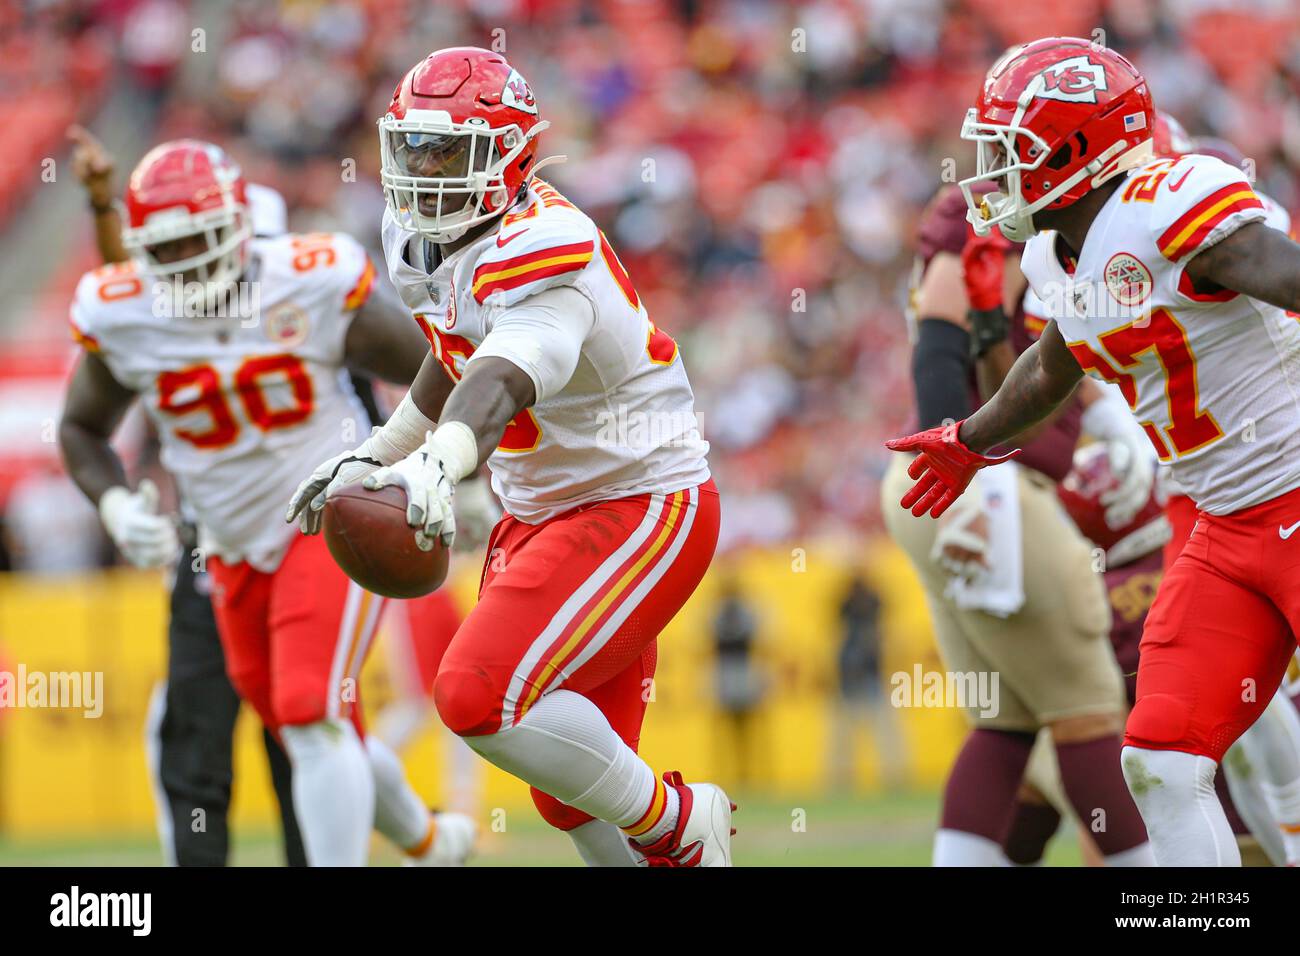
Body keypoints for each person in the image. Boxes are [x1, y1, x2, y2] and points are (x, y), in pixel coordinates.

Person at [287, 47, 729, 866]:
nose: (423, 169)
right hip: (542, 511)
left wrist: (440, 463)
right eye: (412, 147)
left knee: (475, 697)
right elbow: (455, 348)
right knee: (567, 793)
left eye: (447, 150)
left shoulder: (548, 244)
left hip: (636, 503)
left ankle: (678, 822)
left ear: (509, 154)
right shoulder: (420, 236)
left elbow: (504, 374)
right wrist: (381, 454)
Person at [887, 37, 1300, 866]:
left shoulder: (1168, 200)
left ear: (1077, 149)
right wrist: (968, 440)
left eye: (1012, 150)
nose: (991, 170)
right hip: (1222, 527)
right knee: (1159, 760)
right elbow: (1049, 368)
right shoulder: (1054, 253)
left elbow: (1283, 273)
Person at [60, 138, 474, 866]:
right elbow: (82, 428)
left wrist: (440, 466)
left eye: (203, 237)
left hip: (329, 507)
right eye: (170, 245)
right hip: (224, 538)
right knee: (300, 719)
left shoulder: (304, 281)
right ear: (139, 249)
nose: (189, 259)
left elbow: (435, 370)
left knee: (312, 713)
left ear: (244, 224)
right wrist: (115, 505)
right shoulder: (122, 310)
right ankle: (428, 838)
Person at [883, 177, 1152, 866]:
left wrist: (1109, 421)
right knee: (1088, 706)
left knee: (1004, 725)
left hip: (963, 485)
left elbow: (1058, 359)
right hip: (982, 485)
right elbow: (941, 340)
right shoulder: (983, 218)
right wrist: (963, 482)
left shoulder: (1053, 238)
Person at [67, 124, 307, 866]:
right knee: (197, 740)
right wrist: (104, 206)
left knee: (308, 729)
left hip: (307, 542)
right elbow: (130, 302)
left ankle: (413, 837)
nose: (201, 268)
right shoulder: (161, 310)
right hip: (213, 546)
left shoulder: (315, 306)